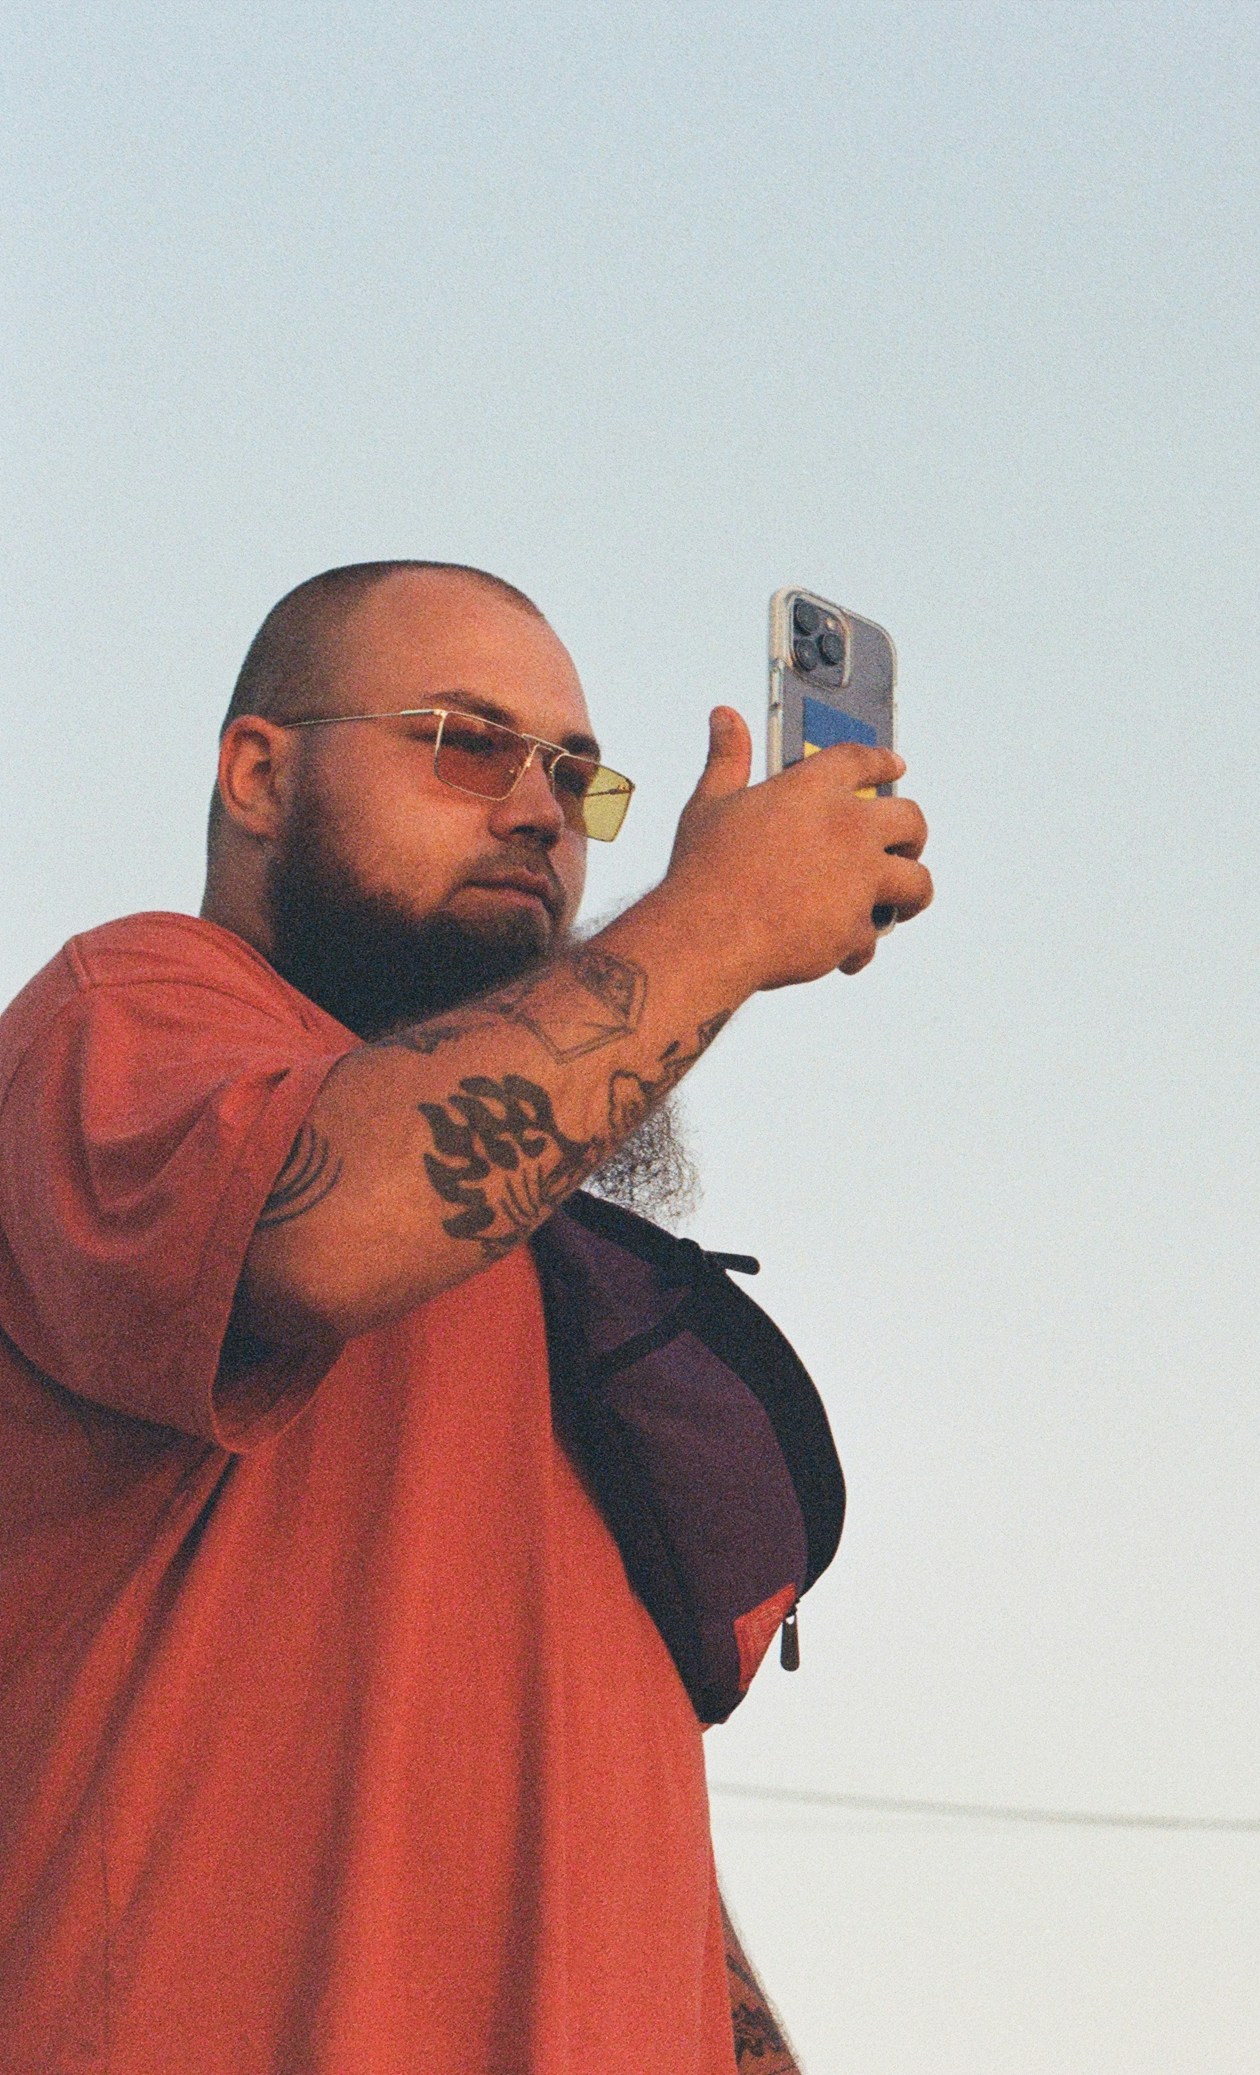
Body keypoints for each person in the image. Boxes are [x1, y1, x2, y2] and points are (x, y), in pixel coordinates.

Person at [0, 561, 933, 2072]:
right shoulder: (131, 1013)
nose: (541, 811)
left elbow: (596, 1767)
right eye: (465, 740)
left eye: (574, 773)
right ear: (257, 773)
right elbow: (320, 1226)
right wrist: (720, 922)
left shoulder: (533, 1266)